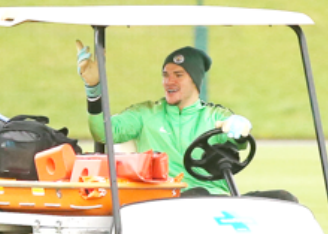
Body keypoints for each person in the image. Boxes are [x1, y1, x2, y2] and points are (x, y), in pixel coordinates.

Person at [75, 40, 279, 198]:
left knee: (283, 198)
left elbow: (238, 139)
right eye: (165, 75)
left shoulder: (215, 116)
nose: (169, 81)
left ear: (195, 81)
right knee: (198, 194)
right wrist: (94, 89)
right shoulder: (145, 114)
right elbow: (102, 133)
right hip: (169, 200)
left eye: (178, 75)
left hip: (218, 201)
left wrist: (241, 129)